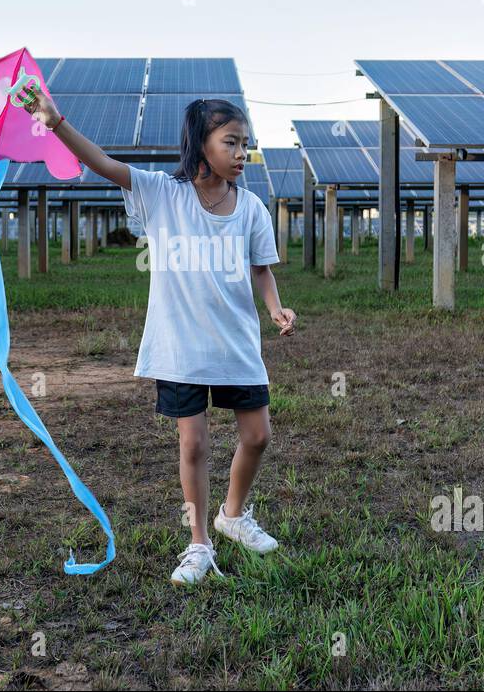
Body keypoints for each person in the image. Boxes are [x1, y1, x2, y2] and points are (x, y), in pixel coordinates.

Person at [16, 86, 296, 585]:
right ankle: (198, 544)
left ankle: (232, 516)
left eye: (245, 144)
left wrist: (275, 308)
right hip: (180, 348)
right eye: (231, 142)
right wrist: (55, 121)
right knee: (194, 446)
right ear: (201, 145)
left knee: (257, 436)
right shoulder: (163, 195)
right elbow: (102, 162)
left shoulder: (252, 207)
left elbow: (261, 269)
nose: (241, 154)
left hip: (237, 347)